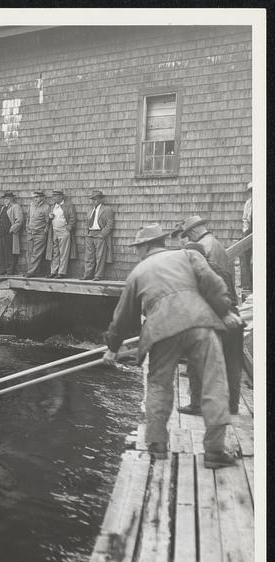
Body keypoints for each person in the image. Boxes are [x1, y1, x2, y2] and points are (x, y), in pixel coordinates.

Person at [102, 223, 242, 469]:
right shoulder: (188, 254)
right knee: (214, 383)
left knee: (159, 386)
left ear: (145, 246)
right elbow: (213, 283)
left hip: (161, 330)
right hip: (200, 322)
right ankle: (214, 452)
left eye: (137, 247)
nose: (137, 252)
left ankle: (157, 446)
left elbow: (123, 317)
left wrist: (112, 347)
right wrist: (225, 310)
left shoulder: (137, 273)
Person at [174, 215, 244, 416]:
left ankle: (196, 405)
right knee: (233, 364)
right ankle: (232, 405)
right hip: (235, 318)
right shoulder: (220, 267)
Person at [82, 190, 114, 281]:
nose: (94, 201)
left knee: (100, 257)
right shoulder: (90, 210)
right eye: (92, 199)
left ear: (101, 199)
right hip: (90, 235)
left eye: (96, 199)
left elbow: (110, 224)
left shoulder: (107, 209)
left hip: (100, 234)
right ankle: (87, 274)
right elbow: (86, 223)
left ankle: (98, 275)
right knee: (88, 256)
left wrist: (102, 234)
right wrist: (86, 233)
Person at [45, 190, 76, 278]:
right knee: (55, 252)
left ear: (61, 197)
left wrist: (68, 227)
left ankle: (61, 272)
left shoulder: (68, 205)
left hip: (63, 231)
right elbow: (49, 219)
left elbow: (72, 218)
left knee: (63, 252)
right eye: (53, 196)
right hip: (54, 231)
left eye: (56, 196)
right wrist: (50, 218)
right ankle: (53, 271)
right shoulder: (53, 206)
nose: (54, 198)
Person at [0, 191, 24, 275]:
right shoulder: (3, 208)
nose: (6, 200)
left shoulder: (15, 207)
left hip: (10, 233)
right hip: (1, 233)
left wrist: (11, 229)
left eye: (7, 198)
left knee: (9, 253)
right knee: (2, 252)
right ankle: (2, 269)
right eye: (5, 199)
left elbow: (19, 221)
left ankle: (10, 270)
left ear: (12, 199)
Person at [25, 190, 50, 277]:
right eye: (34, 197)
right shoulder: (31, 205)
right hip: (30, 232)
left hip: (40, 234)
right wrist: (27, 227)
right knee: (29, 253)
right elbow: (28, 217)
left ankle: (31, 272)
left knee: (36, 253)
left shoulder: (46, 207)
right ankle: (31, 270)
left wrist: (44, 231)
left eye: (37, 197)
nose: (35, 199)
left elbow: (48, 221)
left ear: (42, 198)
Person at [240, 181, 252, 290]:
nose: (252, 193)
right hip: (249, 232)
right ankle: (249, 284)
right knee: (247, 258)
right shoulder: (248, 203)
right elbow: (245, 219)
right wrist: (245, 230)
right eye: (251, 191)